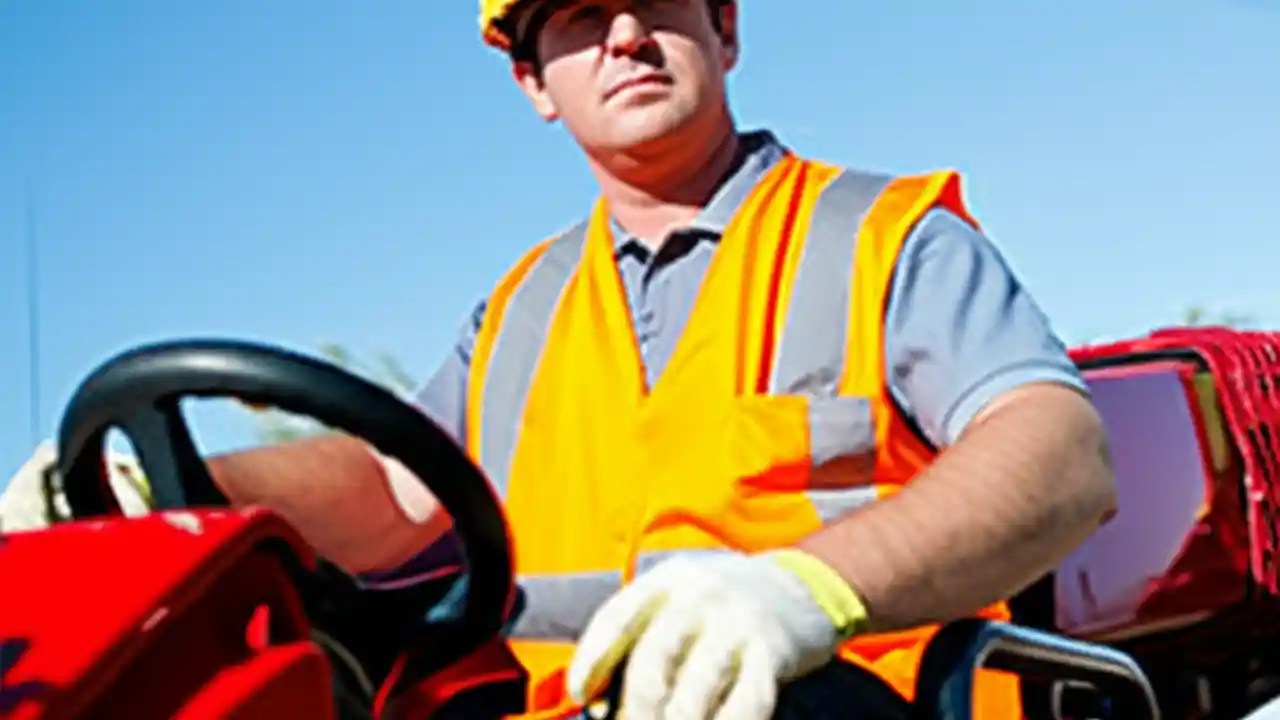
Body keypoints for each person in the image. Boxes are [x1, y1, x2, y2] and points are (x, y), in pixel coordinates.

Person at [2, 1, 1118, 718]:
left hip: (837, 690)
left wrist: (803, 593)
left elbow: (1060, 454)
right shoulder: (518, 309)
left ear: (725, 30)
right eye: (581, 17)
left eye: (654, 2)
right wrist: (157, 491)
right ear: (536, 84)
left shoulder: (883, 237)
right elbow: (394, 488)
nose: (624, 34)